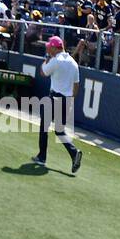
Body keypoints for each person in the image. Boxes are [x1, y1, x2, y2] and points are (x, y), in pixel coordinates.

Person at [34, 35, 82, 173]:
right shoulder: (73, 63)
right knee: (60, 130)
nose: (49, 49)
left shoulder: (55, 60)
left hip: (54, 97)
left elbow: (43, 72)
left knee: (44, 127)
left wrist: (45, 59)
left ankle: (42, 157)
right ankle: (74, 153)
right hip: (67, 100)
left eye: (50, 47)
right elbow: (76, 85)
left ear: (56, 48)